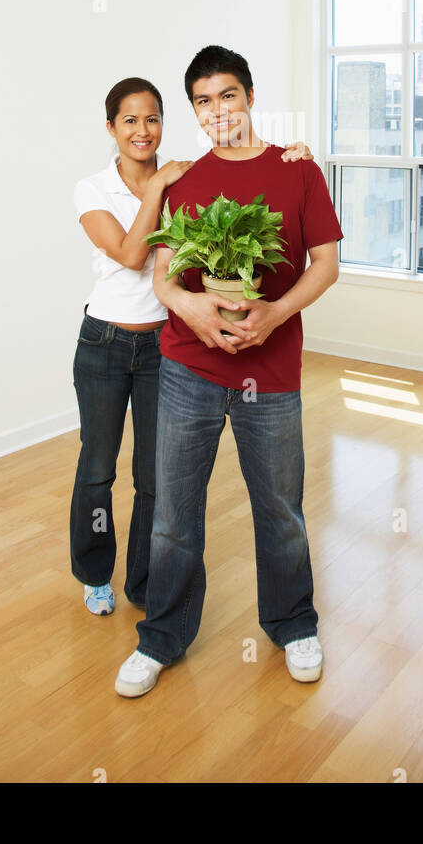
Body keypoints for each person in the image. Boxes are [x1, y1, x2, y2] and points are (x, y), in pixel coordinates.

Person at [115, 45, 343, 697]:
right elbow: (162, 272)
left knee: (280, 510)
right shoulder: (184, 179)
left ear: (249, 97)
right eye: (204, 102)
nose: (217, 111)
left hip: (269, 371)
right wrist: (189, 304)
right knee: (173, 514)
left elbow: (324, 265)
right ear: (195, 110)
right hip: (188, 367)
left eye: (228, 97)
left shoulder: (297, 171)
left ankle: (293, 623)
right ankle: (161, 637)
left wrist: (273, 315)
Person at [71, 75, 312, 618]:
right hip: (106, 344)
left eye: (152, 118)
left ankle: (144, 582)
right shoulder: (95, 189)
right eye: (129, 120)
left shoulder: (188, 176)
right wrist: (157, 189)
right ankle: (93, 570)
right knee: (97, 468)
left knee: (156, 479)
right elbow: (133, 256)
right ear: (110, 128)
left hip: (165, 348)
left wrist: (297, 156)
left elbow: (248, 171)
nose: (142, 130)